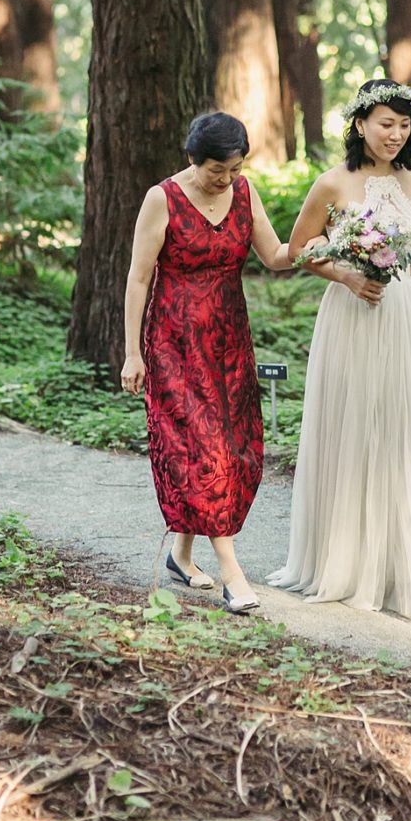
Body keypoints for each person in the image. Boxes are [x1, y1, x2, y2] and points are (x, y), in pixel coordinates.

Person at [267, 80, 411, 619]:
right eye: (385, 124)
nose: (396, 135)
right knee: (358, 428)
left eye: (404, 125)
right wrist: (346, 276)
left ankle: (405, 561)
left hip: (405, 315)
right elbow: (296, 252)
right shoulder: (331, 183)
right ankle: (349, 560)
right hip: (353, 318)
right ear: (360, 125)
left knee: (410, 431)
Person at [120, 111, 291, 614]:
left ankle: (181, 553)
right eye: (218, 169)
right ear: (193, 158)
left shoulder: (244, 192)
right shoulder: (163, 198)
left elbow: (275, 254)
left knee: (237, 448)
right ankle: (231, 572)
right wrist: (133, 352)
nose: (227, 179)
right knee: (204, 450)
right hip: (174, 341)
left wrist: (319, 244)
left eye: (235, 168)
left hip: (229, 341)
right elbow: (137, 279)